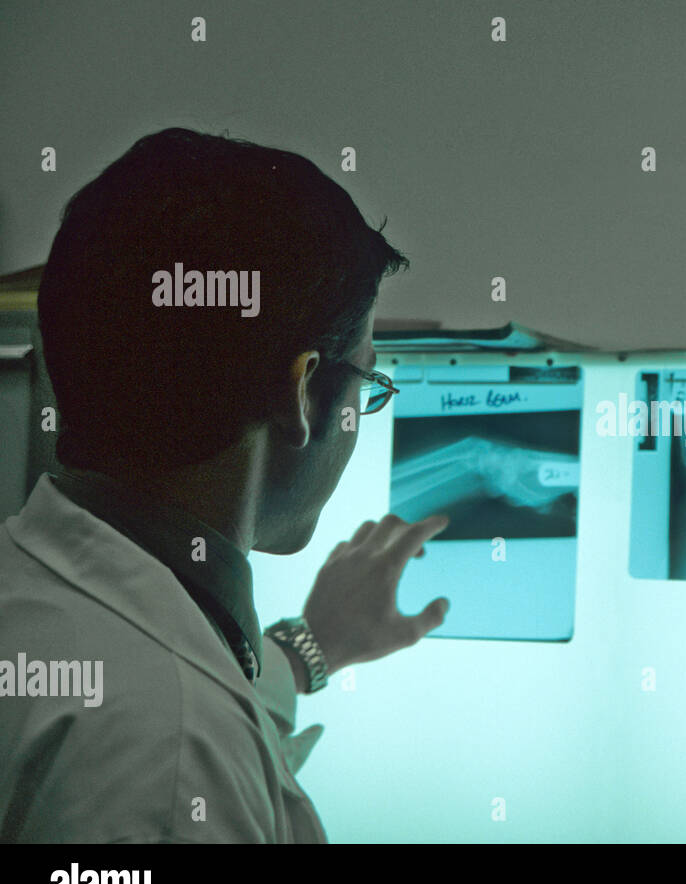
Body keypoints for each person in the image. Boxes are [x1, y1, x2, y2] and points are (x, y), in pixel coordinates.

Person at [0, 128, 452, 842]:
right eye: (368, 382)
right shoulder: (168, 750)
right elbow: (174, 746)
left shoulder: (29, 584)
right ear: (303, 393)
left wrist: (311, 647)